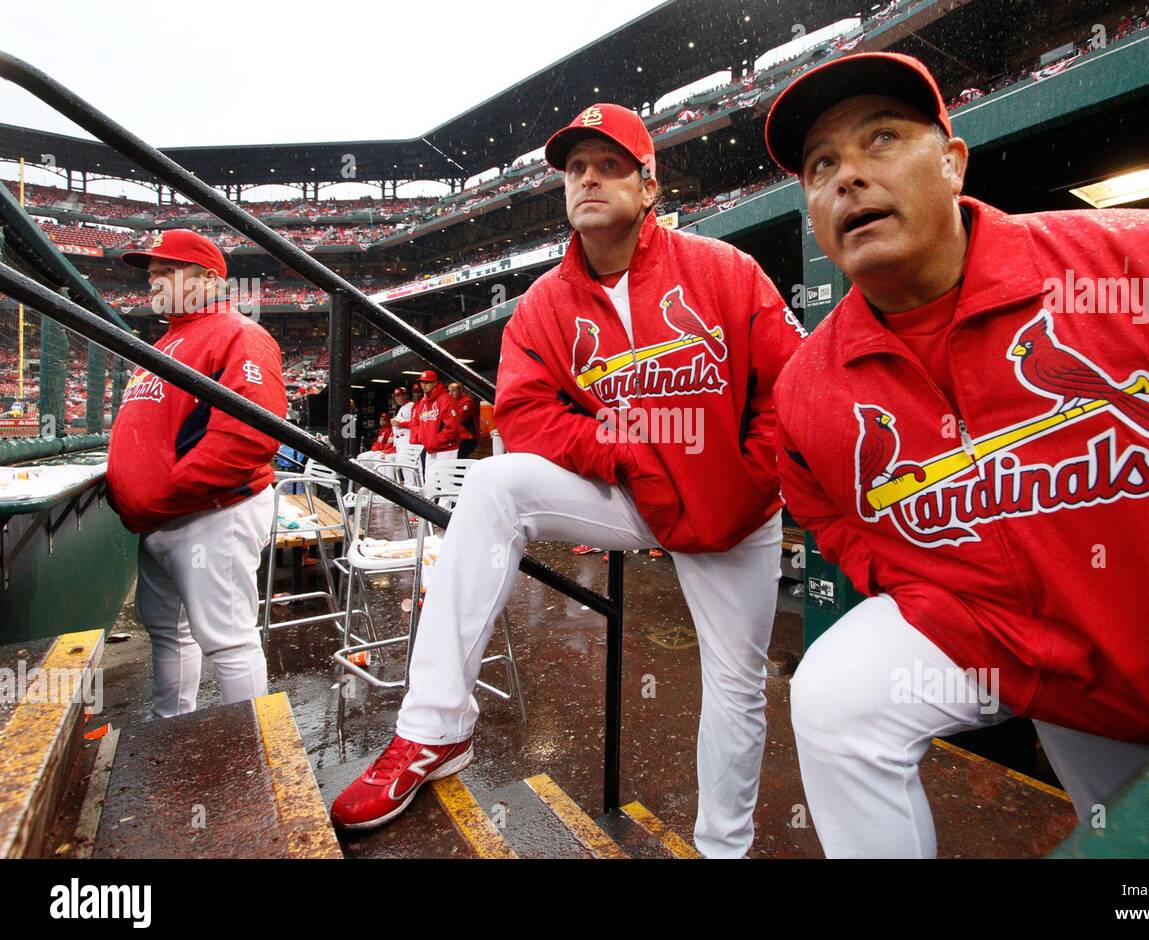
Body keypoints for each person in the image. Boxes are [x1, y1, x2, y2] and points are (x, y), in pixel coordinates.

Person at [763, 52, 1149, 857]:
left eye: (882, 138)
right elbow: (823, 510)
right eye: (821, 166)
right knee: (839, 694)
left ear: (952, 162)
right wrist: (922, 587)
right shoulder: (810, 385)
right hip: (1030, 663)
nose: (848, 178)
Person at [331, 103, 806, 856]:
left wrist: (752, 478)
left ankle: (723, 847)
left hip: (736, 505)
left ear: (649, 188)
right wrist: (624, 452)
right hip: (636, 494)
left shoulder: (723, 270)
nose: (588, 177)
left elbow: (790, 388)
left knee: (736, 684)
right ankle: (434, 730)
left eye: (610, 164)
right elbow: (523, 417)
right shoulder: (547, 304)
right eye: (576, 168)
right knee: (493, 487)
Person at [106, 229, 286, 718]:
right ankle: (170, 729)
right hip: (160, 519)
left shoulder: (238, 333)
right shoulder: (165, 341)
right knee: (169, 633)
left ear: (208, 278)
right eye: (152, 274)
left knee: (227, 640)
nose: (154, 282)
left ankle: (252, 753)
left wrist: (165, 491)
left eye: (167, 270)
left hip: (212, 512)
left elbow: (251, 434)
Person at [447, 381, 478, 458]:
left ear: (460, 390)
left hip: (467, 437)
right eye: (449, 391)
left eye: (453, 390)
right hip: (456, 437)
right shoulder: (451, 402)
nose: (450, 393)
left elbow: (460, 418)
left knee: (462, 460)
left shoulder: (467, 401)